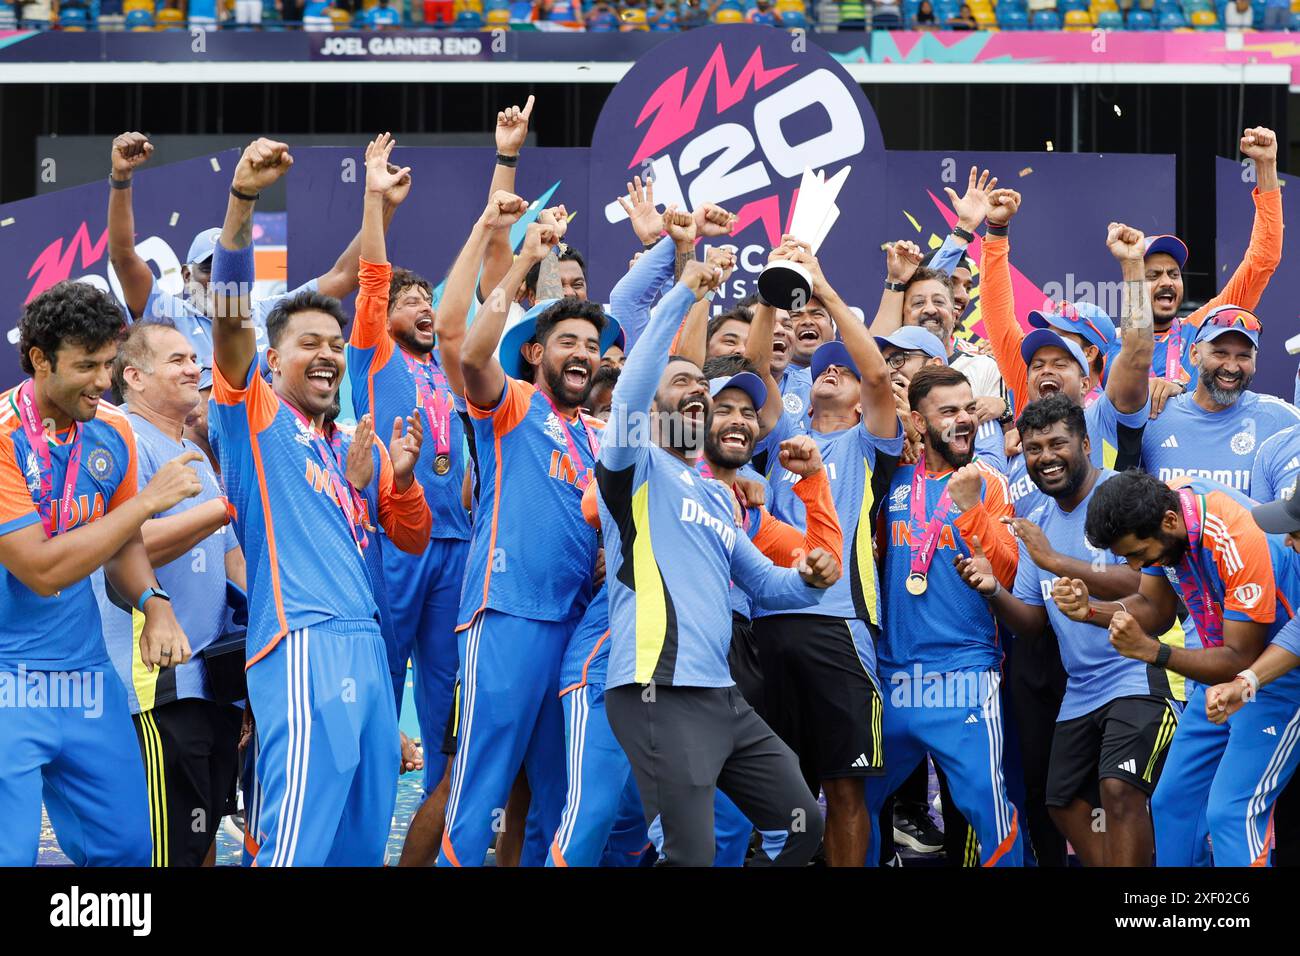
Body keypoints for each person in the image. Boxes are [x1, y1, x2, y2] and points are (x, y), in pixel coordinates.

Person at [206, 138, 430, 866]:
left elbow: (412, 540)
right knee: (295, 847)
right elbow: (231, 318)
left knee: (358, 847)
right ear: (272, 362)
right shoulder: (256, 417)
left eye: (335, 342)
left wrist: (395, 483)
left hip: (369, 650)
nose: (330, 353)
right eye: (310, 343)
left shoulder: (349, 447)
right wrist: (244, 199)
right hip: (302, 641)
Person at [598, 253, 839, 867]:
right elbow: (632, 389)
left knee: (803, 824)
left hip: (721, 695)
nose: (697, 392)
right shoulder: (632, 463)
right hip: (657, 689)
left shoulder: (716, 495)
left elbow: (765, 583)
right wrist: (684, 291)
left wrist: (810, 579)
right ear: (651, 404)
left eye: (701, 387)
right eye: (682, 383)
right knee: (691, 855)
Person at [0, 281, 203, 866]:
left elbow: (122, 545)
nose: (102, 381)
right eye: (85, 366)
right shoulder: (5, 440)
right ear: (40, 360)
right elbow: (42, 571)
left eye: (109, 363)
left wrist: (154, 602)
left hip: (86, 676)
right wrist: (148, 502)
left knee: (129, 850)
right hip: (8, 679)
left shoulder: (113, 429)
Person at [439, 209, 606, 868]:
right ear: (535, 352)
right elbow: (470, 352)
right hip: (506, 615)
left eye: (592, 345)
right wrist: (525, 257)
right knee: (480, 791)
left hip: (574, 632)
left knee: (558, 797)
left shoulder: (599, 436)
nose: (583, 354)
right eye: (567, 342)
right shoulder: (510, 403)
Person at [955, 396, 1180, 866]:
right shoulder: (1038, 520)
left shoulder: (1121, 494)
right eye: (1034, 448)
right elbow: (1032, 622)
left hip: (1139, 674)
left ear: (1085, 444)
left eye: (1058, 443)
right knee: (1062, 803)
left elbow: (1146, 581)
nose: (1046, 457)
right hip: (1081, 689)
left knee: (1118, 790)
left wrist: (1056, 561)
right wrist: (993, 590)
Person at [745, 240, 904, 867]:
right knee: (775, 792)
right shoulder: (785, 434)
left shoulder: (871, 443)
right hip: (768, 620)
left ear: (864, 401)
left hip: (840, 624)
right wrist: (772, 292)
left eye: (844, 370)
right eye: (824, 370)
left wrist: (821, 285)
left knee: (844, 787)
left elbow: (880, 375)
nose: (832, 371)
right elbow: (756, 370)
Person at [1058, 470, 1300, 866]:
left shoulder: (1235, 534)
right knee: (1171, 802)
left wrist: (1153, 652)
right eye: (1128, 558)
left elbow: (1240, 659)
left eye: (1139, 554)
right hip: (1217, 673)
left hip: (1277, 678)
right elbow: (1154, 609)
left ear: (1170, 522)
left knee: (1231, 813)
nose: (1135, 566)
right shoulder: (1161, 510)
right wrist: (1091, 612)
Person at [346, 133, 476, 801]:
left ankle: (440, 812)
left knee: (449, 692)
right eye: (411, 301)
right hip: (398, 540)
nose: (424, 308)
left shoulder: (449, 370)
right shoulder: (375, 358)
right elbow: (372, 281)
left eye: (429, 300)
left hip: (458, 543)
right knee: (383, 674)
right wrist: (375, 201)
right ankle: (364, 811)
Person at [93, 320, 247, 868]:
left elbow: (232, 558)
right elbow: (120, 546)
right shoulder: (122, 440)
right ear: (133, 376)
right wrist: (220, 510)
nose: (193, 368)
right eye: (177, 359)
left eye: (194, 359)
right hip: (159, 685)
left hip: (214, 682)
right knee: (168, 849)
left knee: (201, 837)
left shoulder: (196, 454)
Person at [866, 364, 1024, 867]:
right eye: (948, 411)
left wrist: (972, 508)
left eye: (969, 409)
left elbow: (1009, 572)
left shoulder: (989, 483)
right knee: (856, 807)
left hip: (965, 676)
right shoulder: (892, 481)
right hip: (894, 676)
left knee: (991, 812)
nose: (964, 420)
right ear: (918, 421)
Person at [106, 131, 406, 376]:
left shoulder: (269, 312)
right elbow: (123, 256)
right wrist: (121, 177)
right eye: (210, 268)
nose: (220, 279)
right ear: (186, 275)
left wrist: (383, 204)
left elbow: (344, 275)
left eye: (227, 268)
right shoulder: (166, 314)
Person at [1141, 127, 1280, 411]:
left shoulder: (1203, 326)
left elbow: (1262, 259)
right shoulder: (1109, 343)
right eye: (1153, 275)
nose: (1167, 282)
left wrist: (1266, 166)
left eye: (1174, 274)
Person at [1140, 307, 1300, 496]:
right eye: (1220, 353)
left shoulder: (1279, 418)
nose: (1232, 367)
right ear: (1194, 355)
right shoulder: (1155, 413)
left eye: (1243, 356)